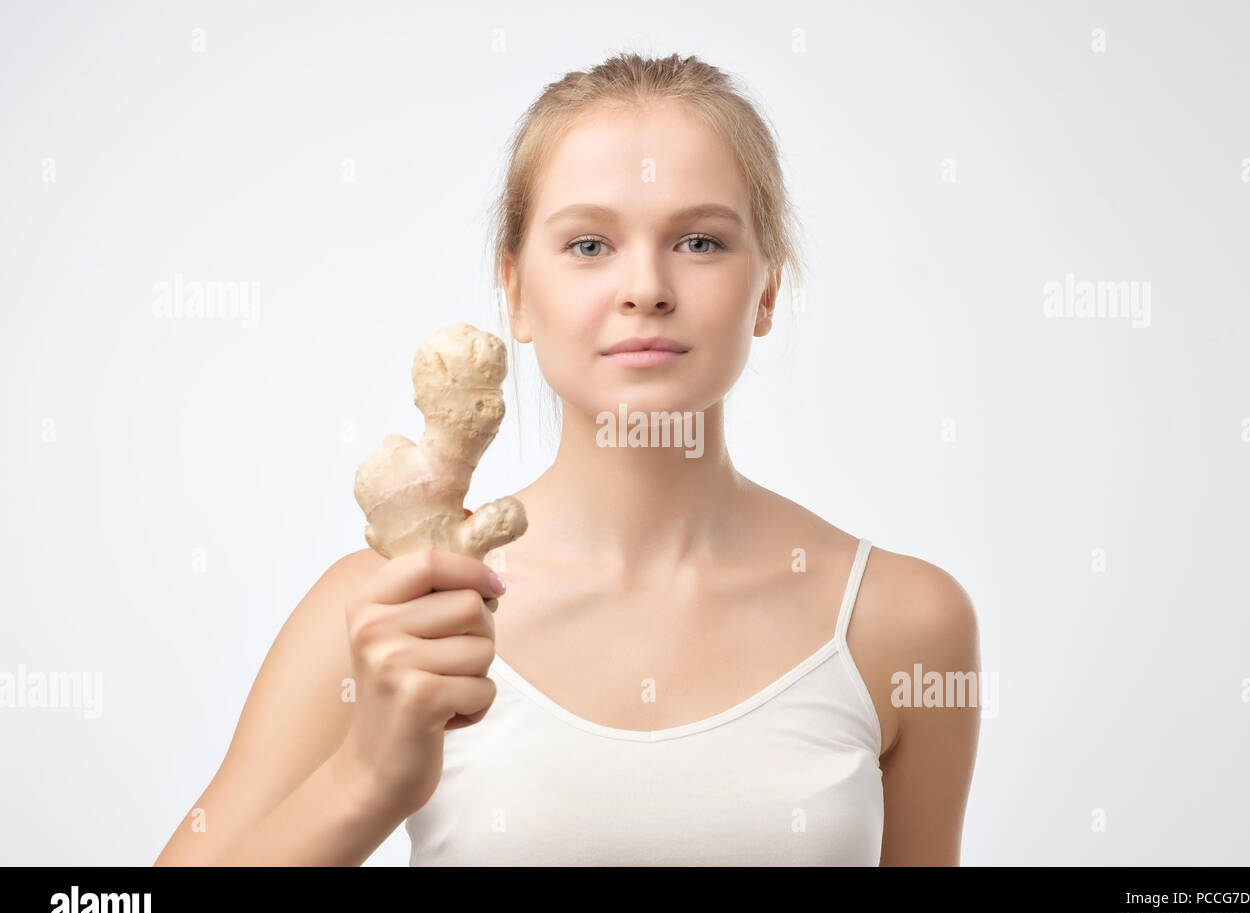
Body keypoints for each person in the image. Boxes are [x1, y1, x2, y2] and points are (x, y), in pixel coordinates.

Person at [155, 52, 980, 868]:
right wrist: (364, 780)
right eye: (589, 245)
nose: (645, 287)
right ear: (515, 291)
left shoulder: (903, 623)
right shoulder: (387, 612)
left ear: (766, 291)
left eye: (699, 241)